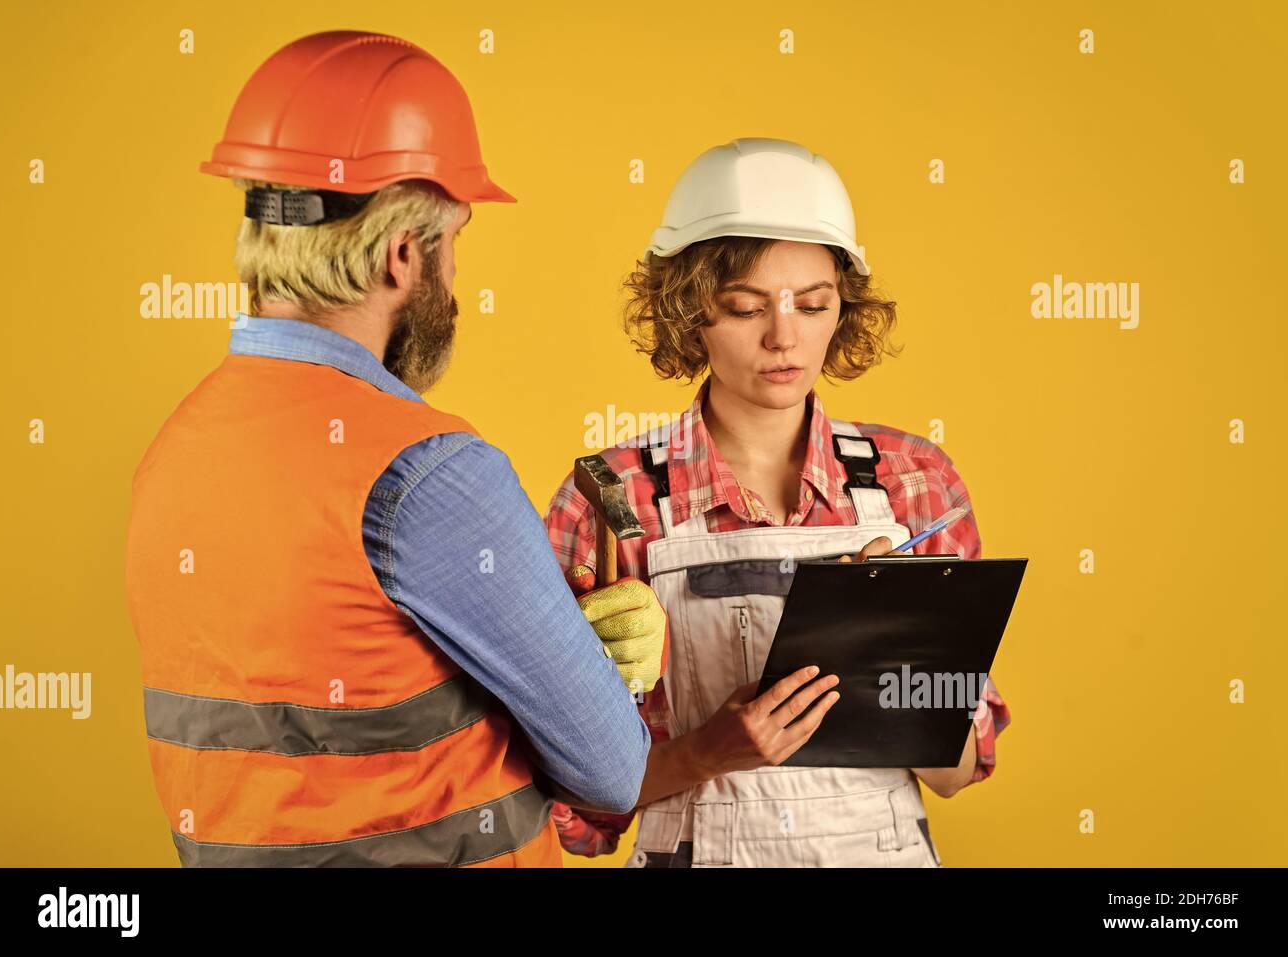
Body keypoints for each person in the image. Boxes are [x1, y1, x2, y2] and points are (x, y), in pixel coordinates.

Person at [124, 30, 664, 868]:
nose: (455, 275)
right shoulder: (430, 473)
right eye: (455, 243)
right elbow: (613, 769)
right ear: (402, 254)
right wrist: (588, 669)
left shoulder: (173, 454)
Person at [545, 138, 1012, 867]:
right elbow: (573, 814)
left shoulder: (916, 481)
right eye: (744, 307)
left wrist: (895, 638)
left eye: (814, 304)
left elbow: (957, 773)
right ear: (689, 310)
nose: (784, 337)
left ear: (842, 308)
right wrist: (706, 752)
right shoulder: (610, 500)